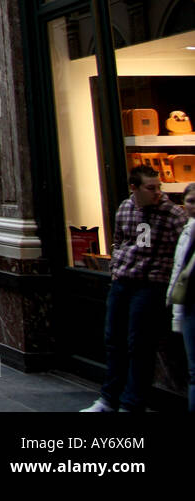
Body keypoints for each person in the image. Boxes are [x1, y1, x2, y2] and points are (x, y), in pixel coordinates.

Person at [83, 165, 187, 411]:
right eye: (150, 188)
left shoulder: (171, 213)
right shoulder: (125, 208)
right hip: (122, 282)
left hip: (150, 286)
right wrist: (116, 268)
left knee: (139, 344)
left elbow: (183, 246)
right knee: (114, 340)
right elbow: (119, 240)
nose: (157, 192)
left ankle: (132, 403)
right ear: (135, 188)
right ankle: (109, 399)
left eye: (159, 187)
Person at [168, 182, 195, 412]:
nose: (194, 207)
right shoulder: (186, 230)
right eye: (191, 201)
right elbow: (179, 270)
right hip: (189, 305)